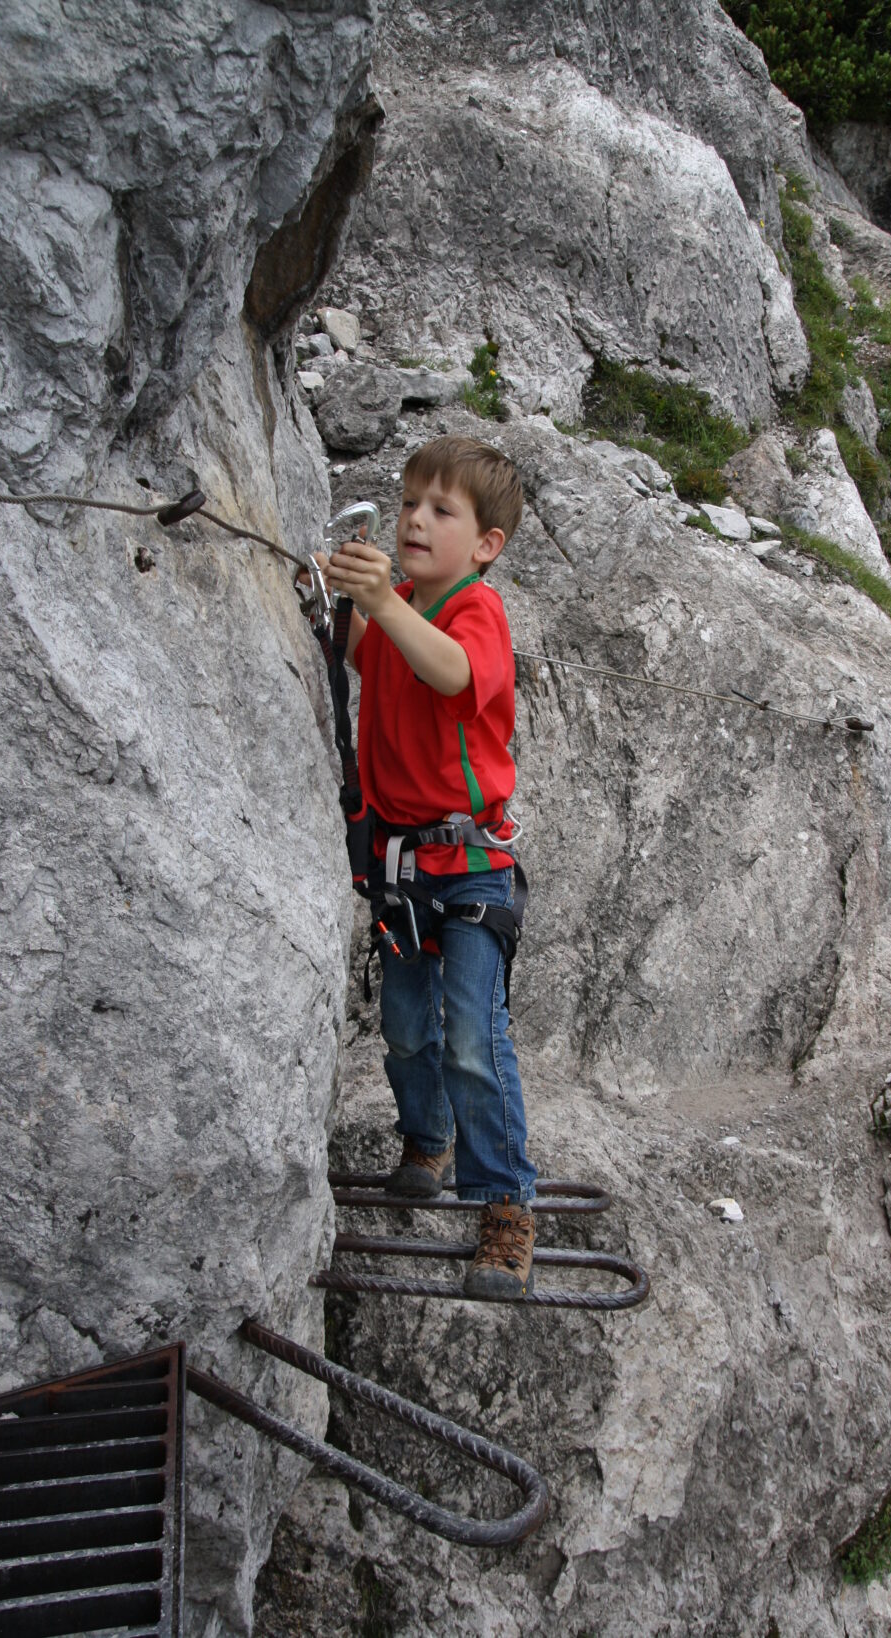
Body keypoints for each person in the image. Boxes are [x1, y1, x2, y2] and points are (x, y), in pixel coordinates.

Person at [316, 435, 537, 1300]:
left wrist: (384, 601)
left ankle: (507, 1203)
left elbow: (450, 674)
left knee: (473, 1035)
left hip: (473, 861)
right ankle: (427, 1139)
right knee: (407, 1028)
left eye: (441, 509)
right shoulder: (402, 605)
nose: (415, 518)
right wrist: (345, 600)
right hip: (404, 864)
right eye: (410, 502)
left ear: (486, 544)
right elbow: (361, 655)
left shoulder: (475, 610)